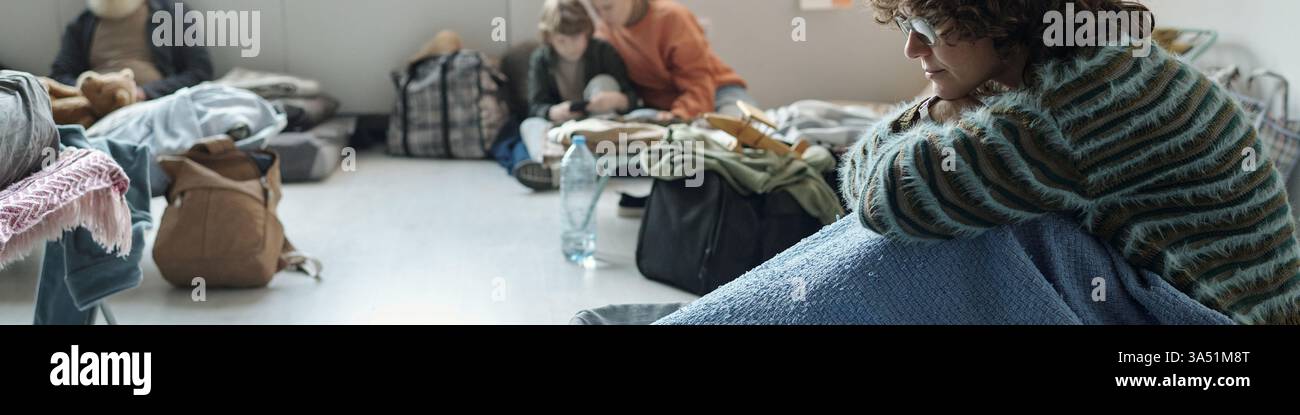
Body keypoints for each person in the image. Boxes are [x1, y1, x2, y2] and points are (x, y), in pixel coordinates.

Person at [508, 0, 640, 191]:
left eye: (577, 38)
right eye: (562, 40)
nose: (570, 47)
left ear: (587, 32)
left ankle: (591, 163)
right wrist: (554, 112)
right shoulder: (541, 59)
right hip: (561, 128)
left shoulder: (604, 52)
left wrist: (617, 100)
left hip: (599, 124)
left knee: (604, 82)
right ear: (550, 37)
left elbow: (634, 98)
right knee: (529, 125)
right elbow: (536, 106)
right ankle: (552, 167)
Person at [588, 0, 755, 122]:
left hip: (715, 91)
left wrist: (679, 115)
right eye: (596, 10)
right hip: (661, 108)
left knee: (744, 133)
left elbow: (699, 82)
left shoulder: (671, 17)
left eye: (607, 7)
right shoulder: (605, 32)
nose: (603, 16)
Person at [49, 0, 213, 101]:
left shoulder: (171, 12)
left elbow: (200, 71)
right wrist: (94, 93)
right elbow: (59, 76)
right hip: (97, 110)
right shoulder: (81, 24)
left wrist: (142, 93)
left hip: (155, 102)